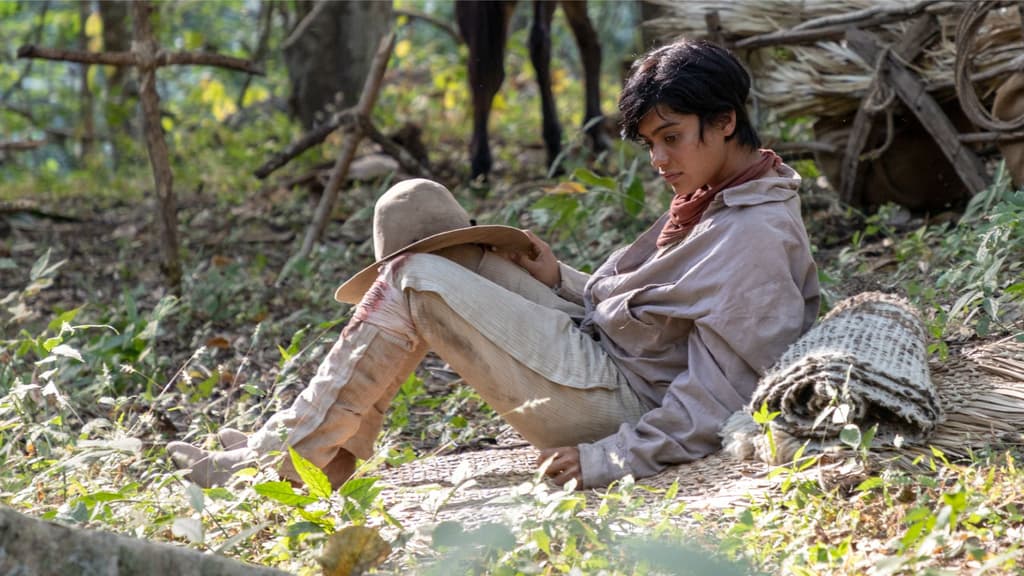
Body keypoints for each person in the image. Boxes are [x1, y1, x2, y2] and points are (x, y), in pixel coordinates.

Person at [168, 39, 819, 490]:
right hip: (605, 353)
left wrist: (612, 456)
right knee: (443, 244)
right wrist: (560, 278)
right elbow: (659, 313)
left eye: (671, 138)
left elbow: (723, 398)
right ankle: (310, 445)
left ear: (726, 121)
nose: (659, 160)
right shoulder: (713, 198)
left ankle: (283, 462)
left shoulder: (756, 235)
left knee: (415, 279)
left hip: (622, 404)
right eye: (651, 143)